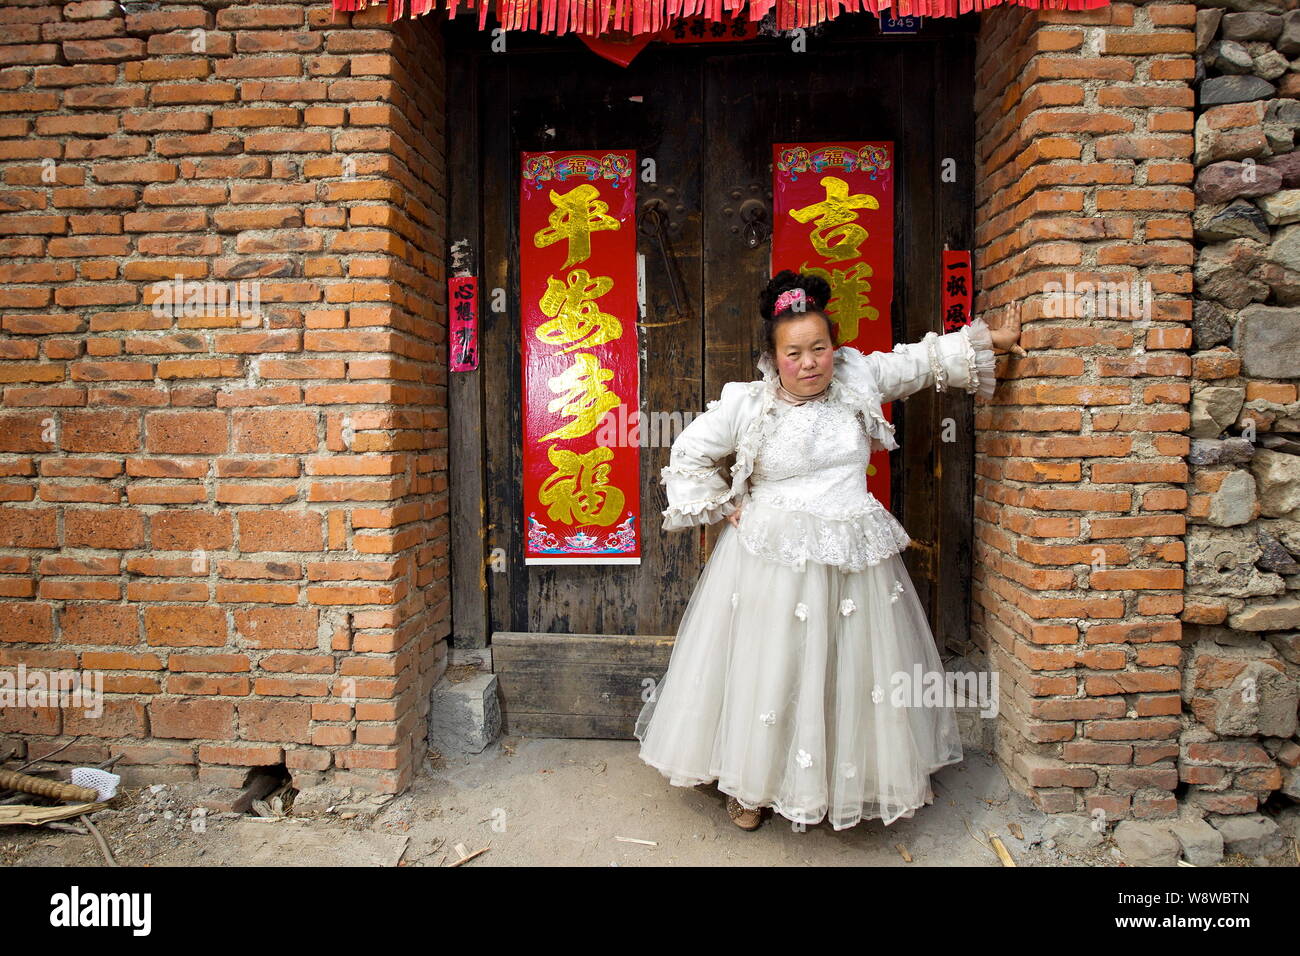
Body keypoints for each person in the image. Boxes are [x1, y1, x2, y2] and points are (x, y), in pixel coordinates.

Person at [634, 270, 1025, 831]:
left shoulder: (858, 378)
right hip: (772, 558)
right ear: (773, 356)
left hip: (852, 552)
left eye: (819, 348)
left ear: (833, 348)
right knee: (770, 669)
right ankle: (752, 787)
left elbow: (922, 363)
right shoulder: (747, 405)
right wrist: (728, 506)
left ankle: (858, 777)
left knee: (852, 668)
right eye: (795, 352)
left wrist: (990, 341)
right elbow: (688, 453)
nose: (810, 361)